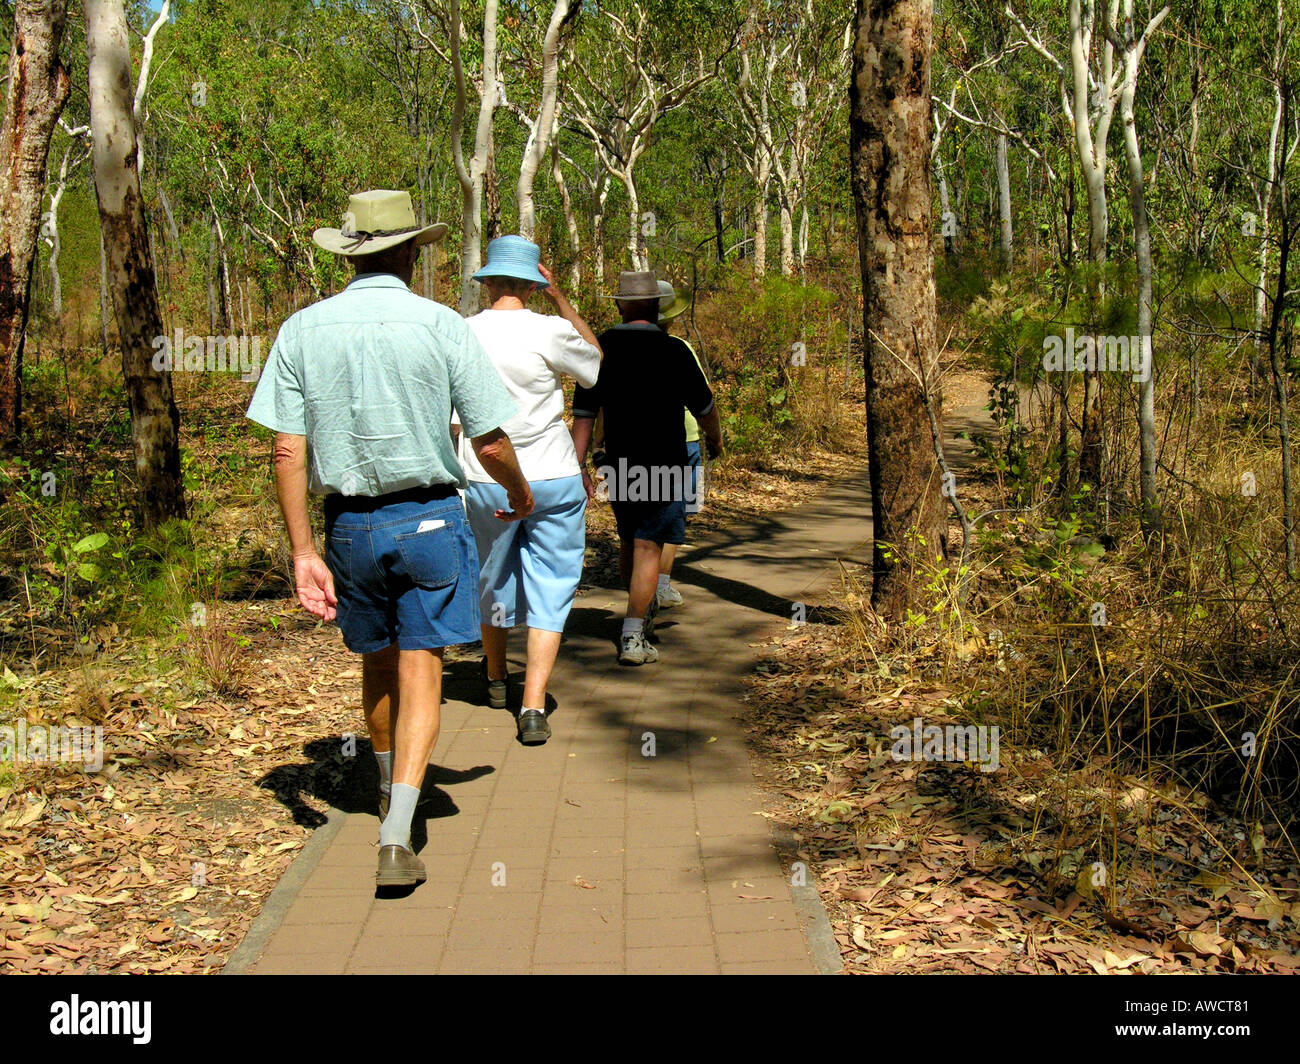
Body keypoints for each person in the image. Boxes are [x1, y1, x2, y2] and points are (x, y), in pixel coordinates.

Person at [246, 189, 533, 888]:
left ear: (351, 254)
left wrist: (303, 550)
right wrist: (520, 494)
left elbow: (288, 451)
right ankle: (399, 829)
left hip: (348, 526)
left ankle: (382, 782)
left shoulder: (303, 329)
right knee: (420, 664)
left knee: (376, 661)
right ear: (411, 250)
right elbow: (491, 442)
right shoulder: (439, 325)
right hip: (431, 518)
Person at [454, 235, 602, 744]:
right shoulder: (552, 329)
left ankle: (496, 677)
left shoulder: (461, 332)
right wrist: (562, 300)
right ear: (535, 286)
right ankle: (533, 705)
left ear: (488, 282)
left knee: (491, 576)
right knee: (552, 583)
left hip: (485, 476)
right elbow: (598, 364)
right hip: (553, 475)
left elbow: (452, 419)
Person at [571, 271, 724, 666]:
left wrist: (579, 464)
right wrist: (716, 440)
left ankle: (637, 620)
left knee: (630, 540)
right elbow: (705, 409)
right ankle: (634, 632)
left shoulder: (601, 349)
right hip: (665, 463)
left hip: (619, 462)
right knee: (647, 546)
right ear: (658, 306)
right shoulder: (674, 351)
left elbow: (585, 415)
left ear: (620, 304)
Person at [652, 279, 707, 610]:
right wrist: (714, 435)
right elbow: (701, 397)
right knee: (676, 515)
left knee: (643, 517)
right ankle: (660, 585)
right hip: (683, 438)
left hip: (635, 443)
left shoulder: (621, 348)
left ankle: (643, 587)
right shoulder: (680, 348)